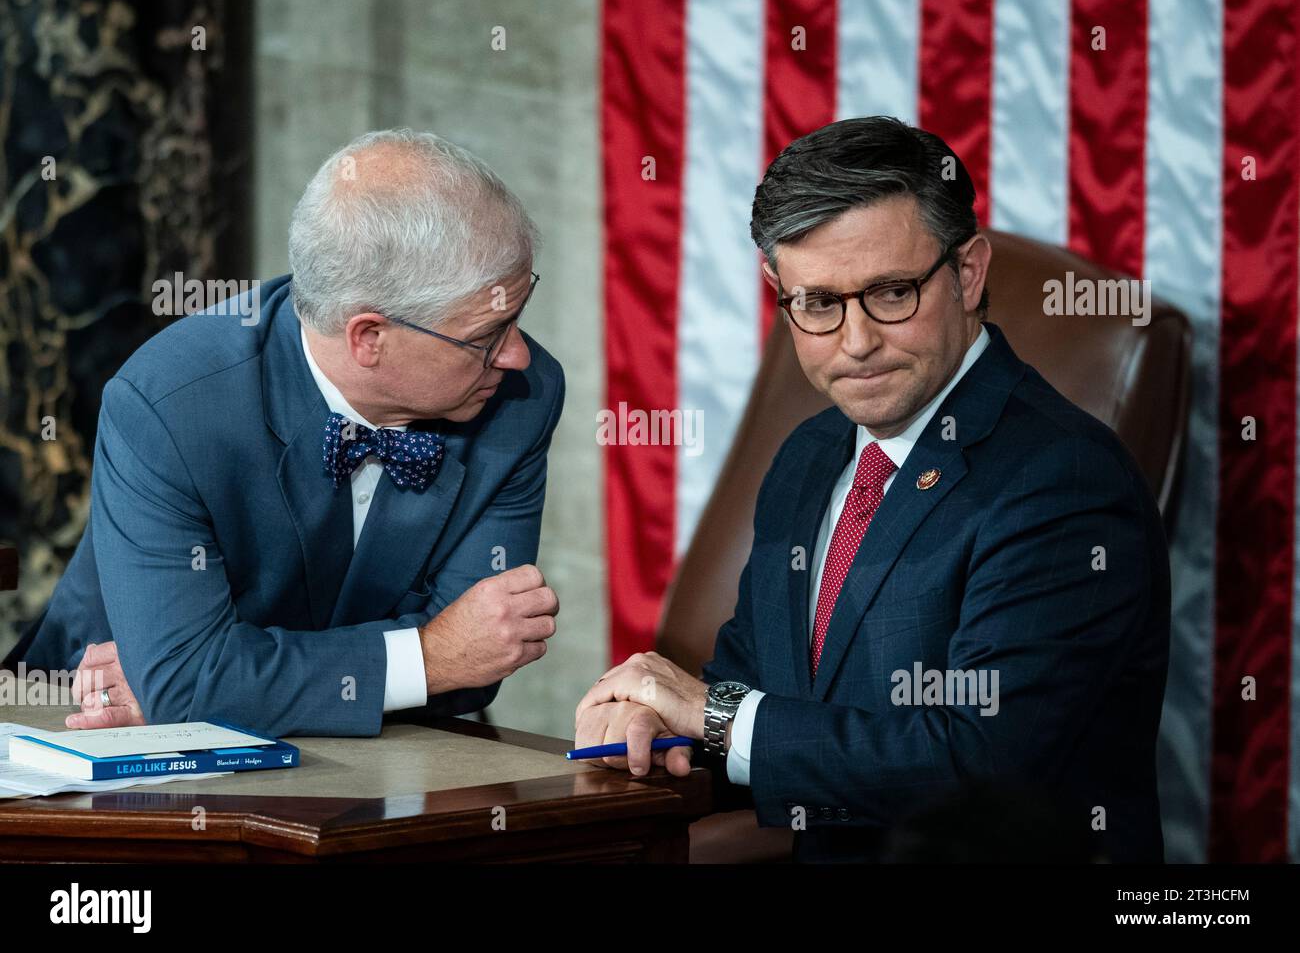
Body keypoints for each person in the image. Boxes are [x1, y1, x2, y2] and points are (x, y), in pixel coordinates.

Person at [575, 116, 1169, 863]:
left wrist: (714, 717)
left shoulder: (1065, 479)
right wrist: (656, 732)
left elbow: (978, 761)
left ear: (969, 272)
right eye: (818, 303)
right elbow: (754, 690)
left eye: (891, 292)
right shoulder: (810, 456)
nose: (856, 342)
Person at [7, 129, 564, 738]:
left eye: (518, 316)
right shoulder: (168, 405)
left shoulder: (519, 400)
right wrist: (427, 655)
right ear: (368, 338)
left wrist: (223, 685)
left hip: (377, 755)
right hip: (88, 735)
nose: (517, 357)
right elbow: (187, 683)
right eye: (486, 337)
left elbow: (481, 662)